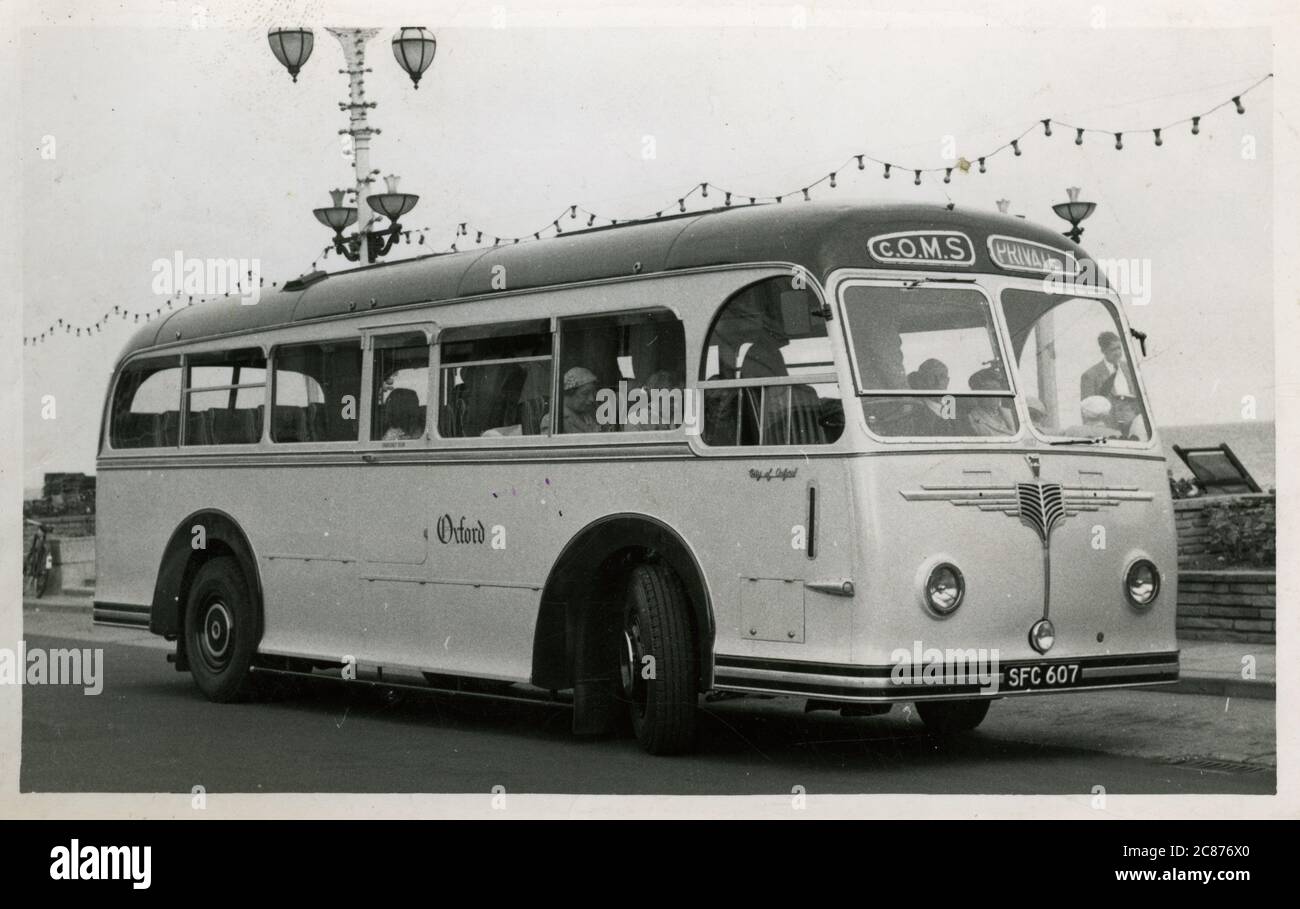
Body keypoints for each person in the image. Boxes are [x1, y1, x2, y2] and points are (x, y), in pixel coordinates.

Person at [1080, 331, 1139, 429]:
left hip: (1132, 426)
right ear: (1103, 351)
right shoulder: (1090, 375)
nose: (1118, 353)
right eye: (1113, 350)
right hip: (1108, 430)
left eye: (1119, 348)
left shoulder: (1130, 369)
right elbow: (1086, 411)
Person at [540, 366, 603, 434]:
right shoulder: (553, 421)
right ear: (569, 392)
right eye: (585, 393)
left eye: (593, 393)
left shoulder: (589, 416)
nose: (592, 399)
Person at [906, 358, 953, 436]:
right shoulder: (913, 412)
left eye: (942, 376)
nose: (938, 382)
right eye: (932, 376)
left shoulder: (954, 411)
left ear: (947, 381)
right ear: (921, 380)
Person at [965, 367, 1016, 436]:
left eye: (997, 388)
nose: (994, 393)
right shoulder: (971, 418)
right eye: (988, 389)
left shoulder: (1010, 413)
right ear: (977, 394)